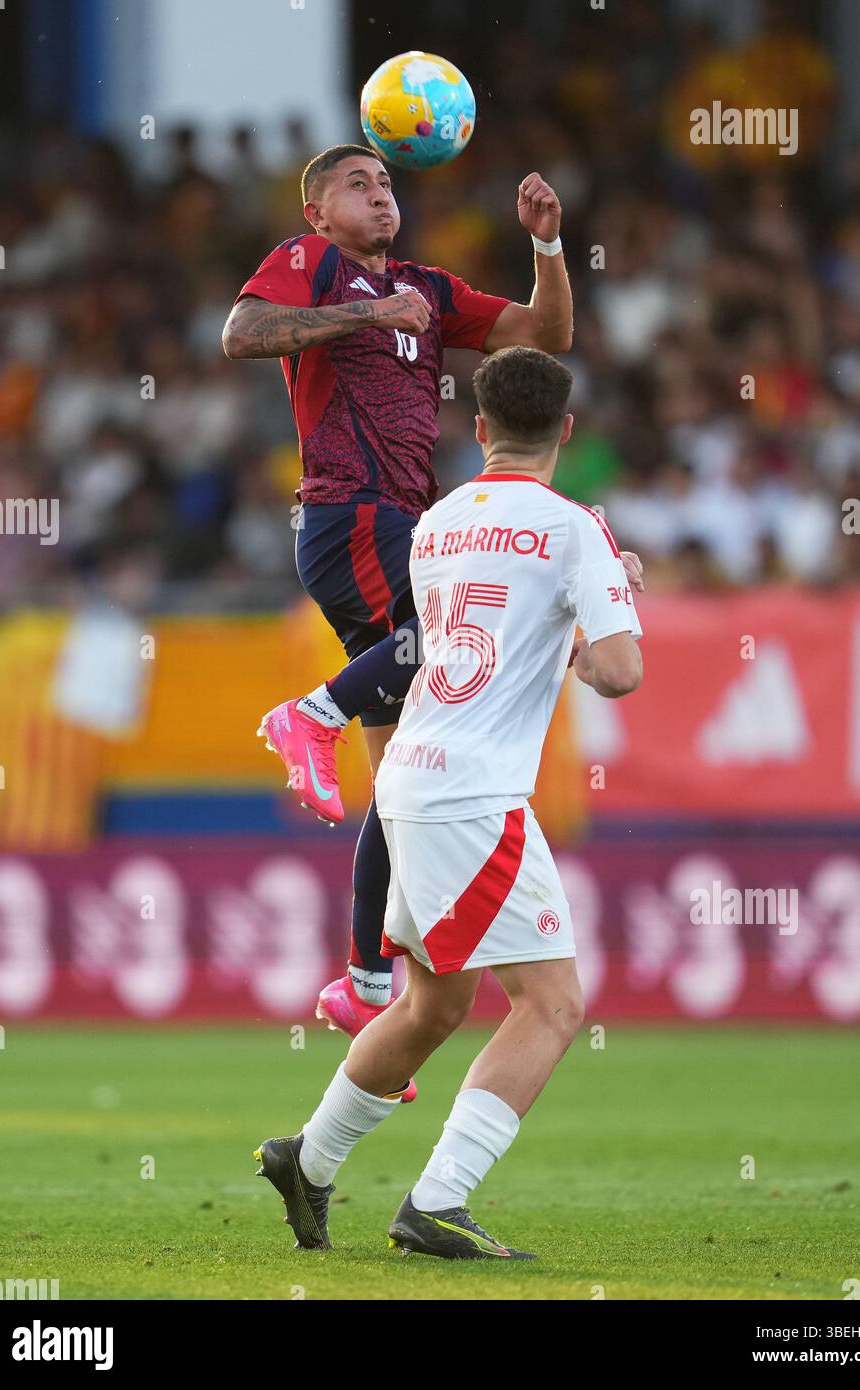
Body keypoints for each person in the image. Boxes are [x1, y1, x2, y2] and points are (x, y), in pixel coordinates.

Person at [253, 345, 643, 1259]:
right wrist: (620, 595)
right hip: (476, 793)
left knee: (431, 1006)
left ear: (477, 430)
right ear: (567, 431)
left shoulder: (434, 523)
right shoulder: (573, 525)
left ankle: (306, 1158)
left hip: (410, 780)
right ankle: (436, 1202)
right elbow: (617, 672)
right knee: (550, 1007)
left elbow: (446, 647)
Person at [223, 144, 576, 1071]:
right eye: (357, 185)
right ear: (316, 213)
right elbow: (241, 332)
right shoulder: (314, 268)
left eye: (387, 184)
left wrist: (546, 246)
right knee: (449, 647)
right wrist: (367, 314)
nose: (381, 197)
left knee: (407, 764)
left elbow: (544, 335)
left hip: (403, 525)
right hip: (349, 512)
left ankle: (363, 982)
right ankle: (312, 712)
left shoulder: (427, 286)